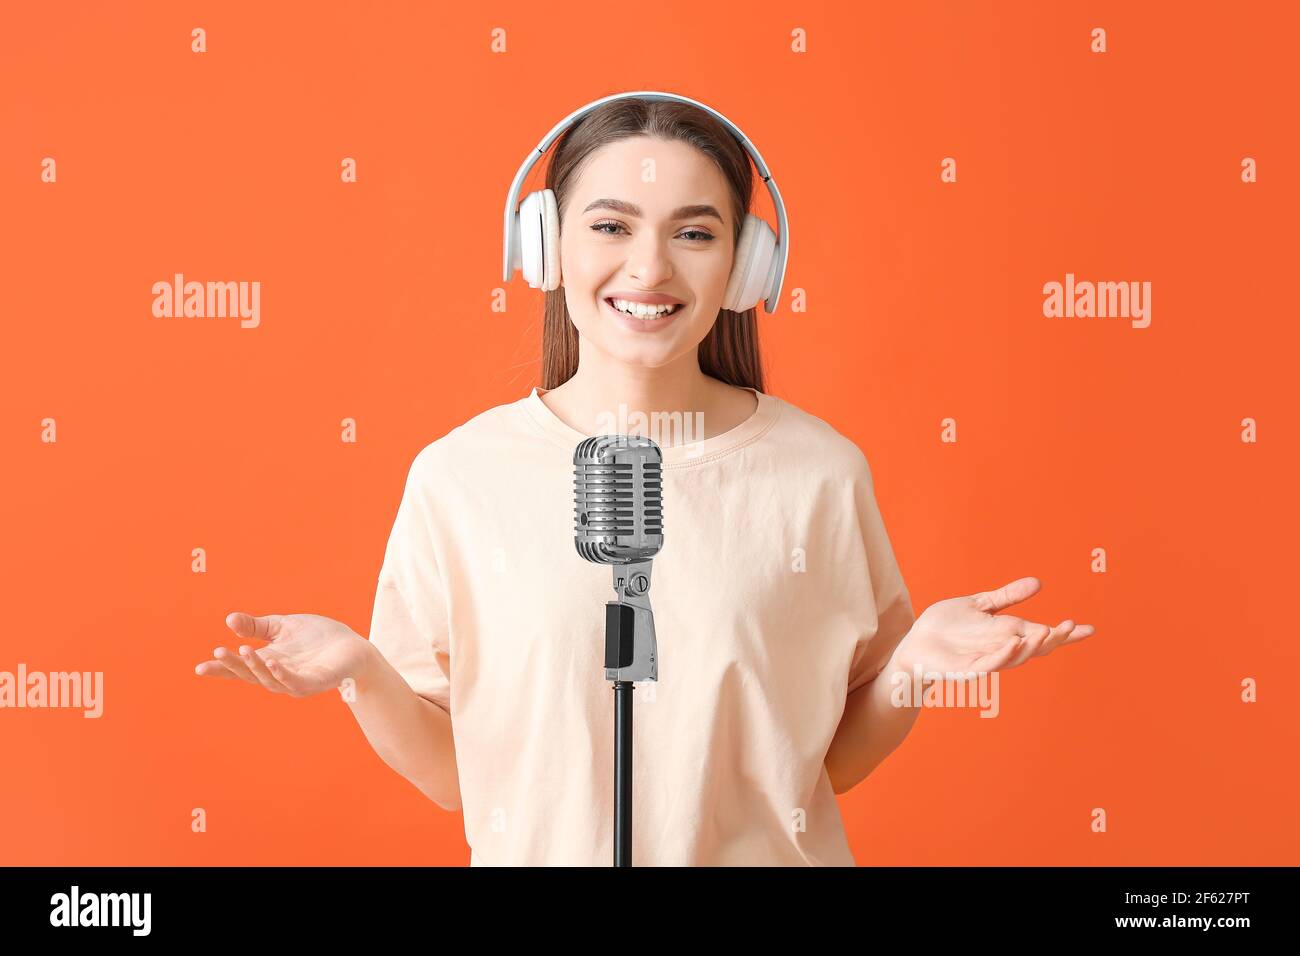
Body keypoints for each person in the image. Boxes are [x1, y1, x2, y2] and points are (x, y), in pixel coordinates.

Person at [194, 94, 1096, 866]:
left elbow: (821, 767)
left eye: (694, 233)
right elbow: (460, 784)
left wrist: (912, 672)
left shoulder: (818, 472)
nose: (650, 268)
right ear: (544, 246)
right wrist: (362, 673)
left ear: (745, 265)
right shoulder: (459, 479)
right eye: (610, 225)